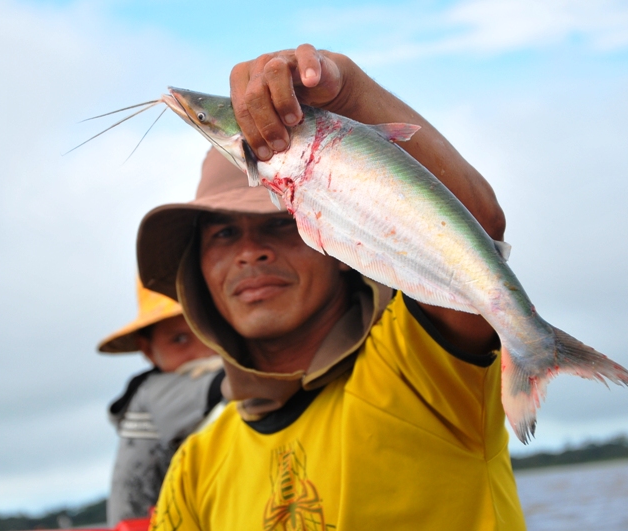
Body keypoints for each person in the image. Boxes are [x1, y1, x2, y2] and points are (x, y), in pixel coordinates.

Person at [139, 45, 525, 530]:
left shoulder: (420, 368)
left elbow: (478, 236)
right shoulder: (193, 469)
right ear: (196, 270)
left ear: (346, 241)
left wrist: (348, 91)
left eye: (279, 224)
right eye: (223, 233)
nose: (250, 252)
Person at [98, 279, 225, 527]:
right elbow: (237, 388)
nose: (203, 351)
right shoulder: (157, 392)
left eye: (207, 331)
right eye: (179, 339)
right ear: (147, 350)